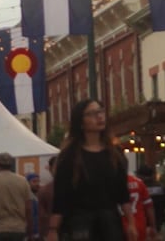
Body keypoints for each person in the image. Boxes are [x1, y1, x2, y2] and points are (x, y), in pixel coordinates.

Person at [51, 100, 131, 241]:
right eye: (92, 114)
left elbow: (123, 192)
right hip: (79, 224)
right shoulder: (70, 155)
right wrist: (53, 230)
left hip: (110, 223)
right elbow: (61, 196)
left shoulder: (115, 153)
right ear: (80, 122)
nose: (99, 117)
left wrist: (131, 223)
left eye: (100, 111)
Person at [0, 152, 36, 241]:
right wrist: (30, 233)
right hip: (19, 230)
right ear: (11, 165)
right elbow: (28, 209)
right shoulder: (23, 181)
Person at [127, 164, 156, 241]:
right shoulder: (139, 183)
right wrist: (153, 226)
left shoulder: (112, 183)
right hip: (139, 225)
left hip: (120, 227)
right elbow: (149, 207)